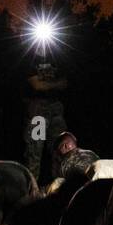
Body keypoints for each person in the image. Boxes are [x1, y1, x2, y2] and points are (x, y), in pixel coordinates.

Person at [23, 57, 67, 186]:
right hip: (38, 113)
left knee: (60, 150)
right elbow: (36, 85)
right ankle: (32, 190)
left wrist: (47, 86)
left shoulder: (57, 55)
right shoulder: (30, 57)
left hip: (56, 110)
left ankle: (59, 188)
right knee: (34, 152)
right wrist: (54, 85)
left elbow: (65, 83)